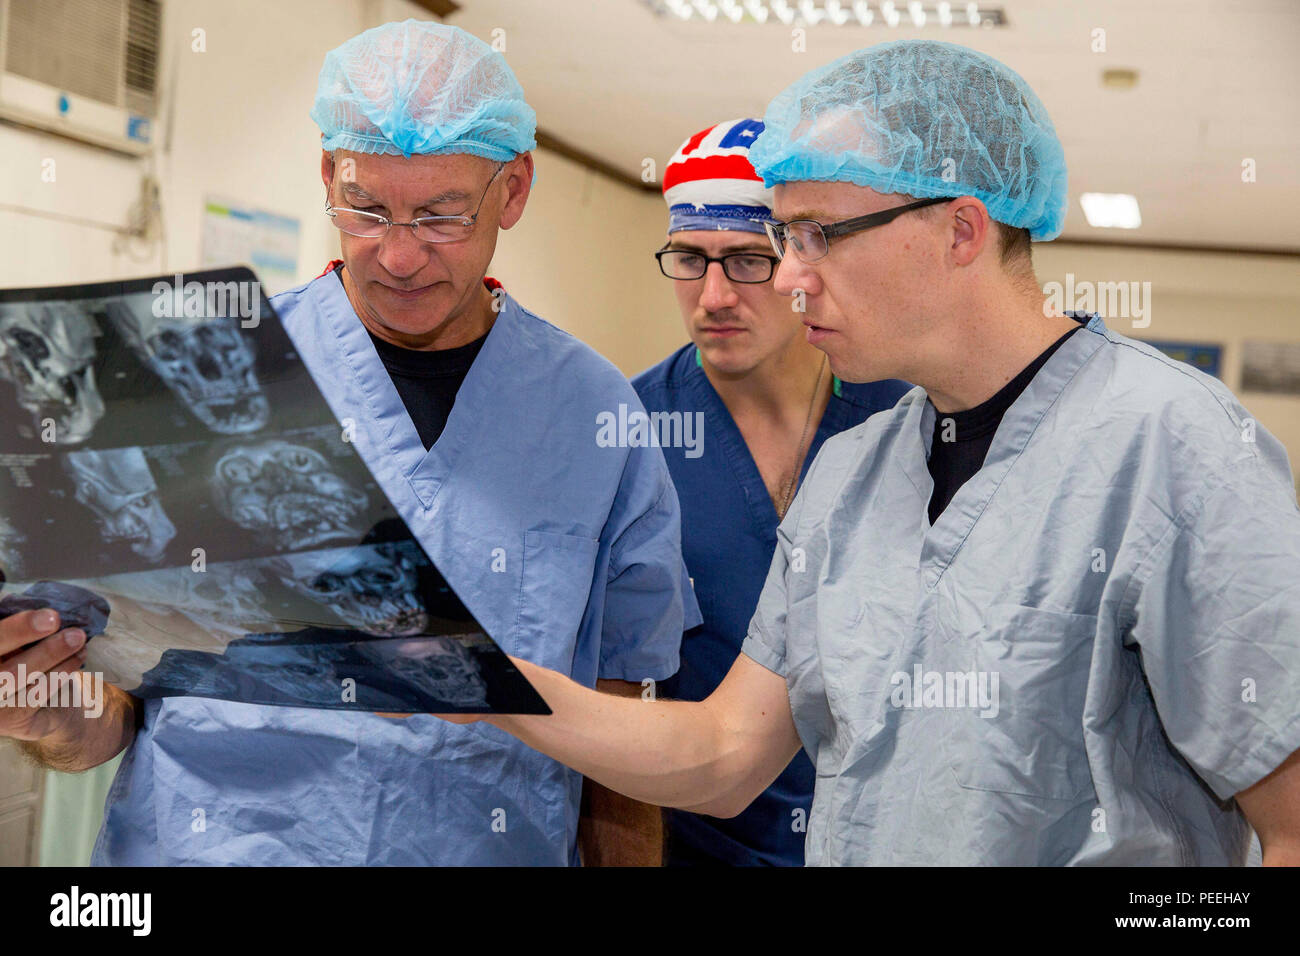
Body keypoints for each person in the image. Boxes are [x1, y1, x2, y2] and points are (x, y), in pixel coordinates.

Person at [442, 39, 1300, 865]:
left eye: (818, 235)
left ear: (961, 230)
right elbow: (725, 751)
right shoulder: (857, 472)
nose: (786, 278)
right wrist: (481, 677)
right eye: (785, 239)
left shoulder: (1175, 452)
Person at [0, 19, 699, 866]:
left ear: (512, 191)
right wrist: (45, 712)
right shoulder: (191, 381)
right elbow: (109, 715)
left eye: (441, 215)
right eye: (365, 209)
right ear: (328, 173)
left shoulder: (596, 416)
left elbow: (622, 735)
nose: (398, 256)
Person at [632, 118, 908, 866]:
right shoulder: (627, 435)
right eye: (689, 259)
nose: (713, 296)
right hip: (694, 844)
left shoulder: (906, 423)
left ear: (800, 262)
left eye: (748, 261)